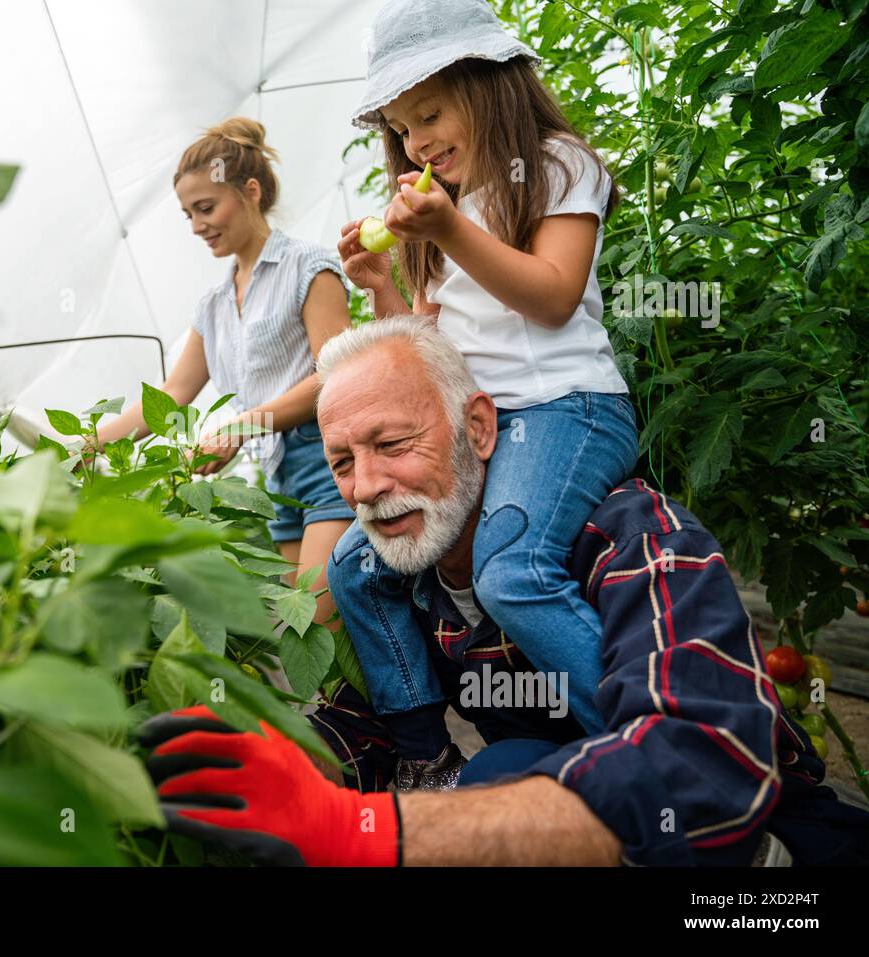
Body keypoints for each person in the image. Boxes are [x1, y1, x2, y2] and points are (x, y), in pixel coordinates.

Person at [137, 318, 869, 866]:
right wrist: (260, 758)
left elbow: (705, 763)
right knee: (490, 774)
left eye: (392, 445)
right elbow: (365, 728)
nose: (364, 488)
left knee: (488, 778)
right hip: (579, 822)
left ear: (480, 428)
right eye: (341, 462)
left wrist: (364, 831)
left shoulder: (631, 538)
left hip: (777, 840)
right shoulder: (400, 582)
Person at [328, 0, 635, 778]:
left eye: (429, 113)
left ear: (490, 85)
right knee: (354, 569)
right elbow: (430, 352)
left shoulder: (560, 165)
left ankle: (649, 744)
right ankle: (424, 754)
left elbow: (554, 295)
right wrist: (378, 285)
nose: (416, 140)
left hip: (568, 409)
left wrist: (448, 233)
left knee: (512, 572)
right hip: (478, 424)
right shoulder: (446, 211)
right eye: (401, 128)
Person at [93, 118, 354, 624]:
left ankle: (404, 701)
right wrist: (87, 445)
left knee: (320, 612)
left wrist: (241, 425)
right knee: (303, 627)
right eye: (188, 214)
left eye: (206, 207)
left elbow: (334, 372)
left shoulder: (309, 267)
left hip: (328, 456)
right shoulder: (213, 304)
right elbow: (172, 393)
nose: (196, 225)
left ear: (250, 191)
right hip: (276, 473)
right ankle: (343, 706)